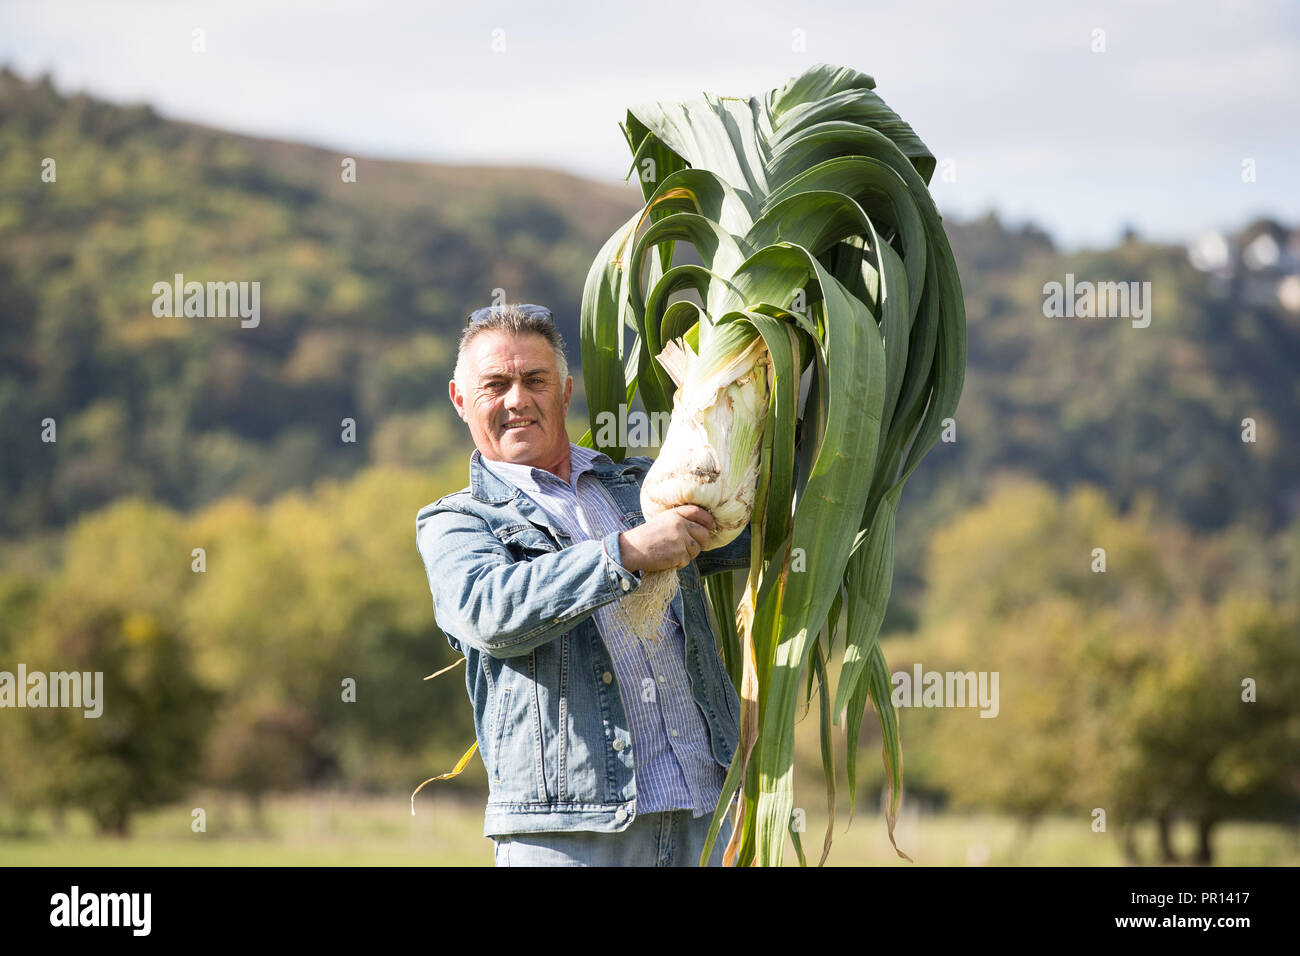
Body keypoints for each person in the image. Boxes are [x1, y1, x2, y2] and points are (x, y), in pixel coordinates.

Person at [415, 302, 749, 866]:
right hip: (569, 834)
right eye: (495, 385)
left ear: (565, 392)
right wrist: (628, 552)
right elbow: (488, 611)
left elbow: (761, 527)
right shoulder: (457, 519)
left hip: (706, 814)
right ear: (459, 399)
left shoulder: (646, 484)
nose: (517, 399)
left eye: (535, 381)